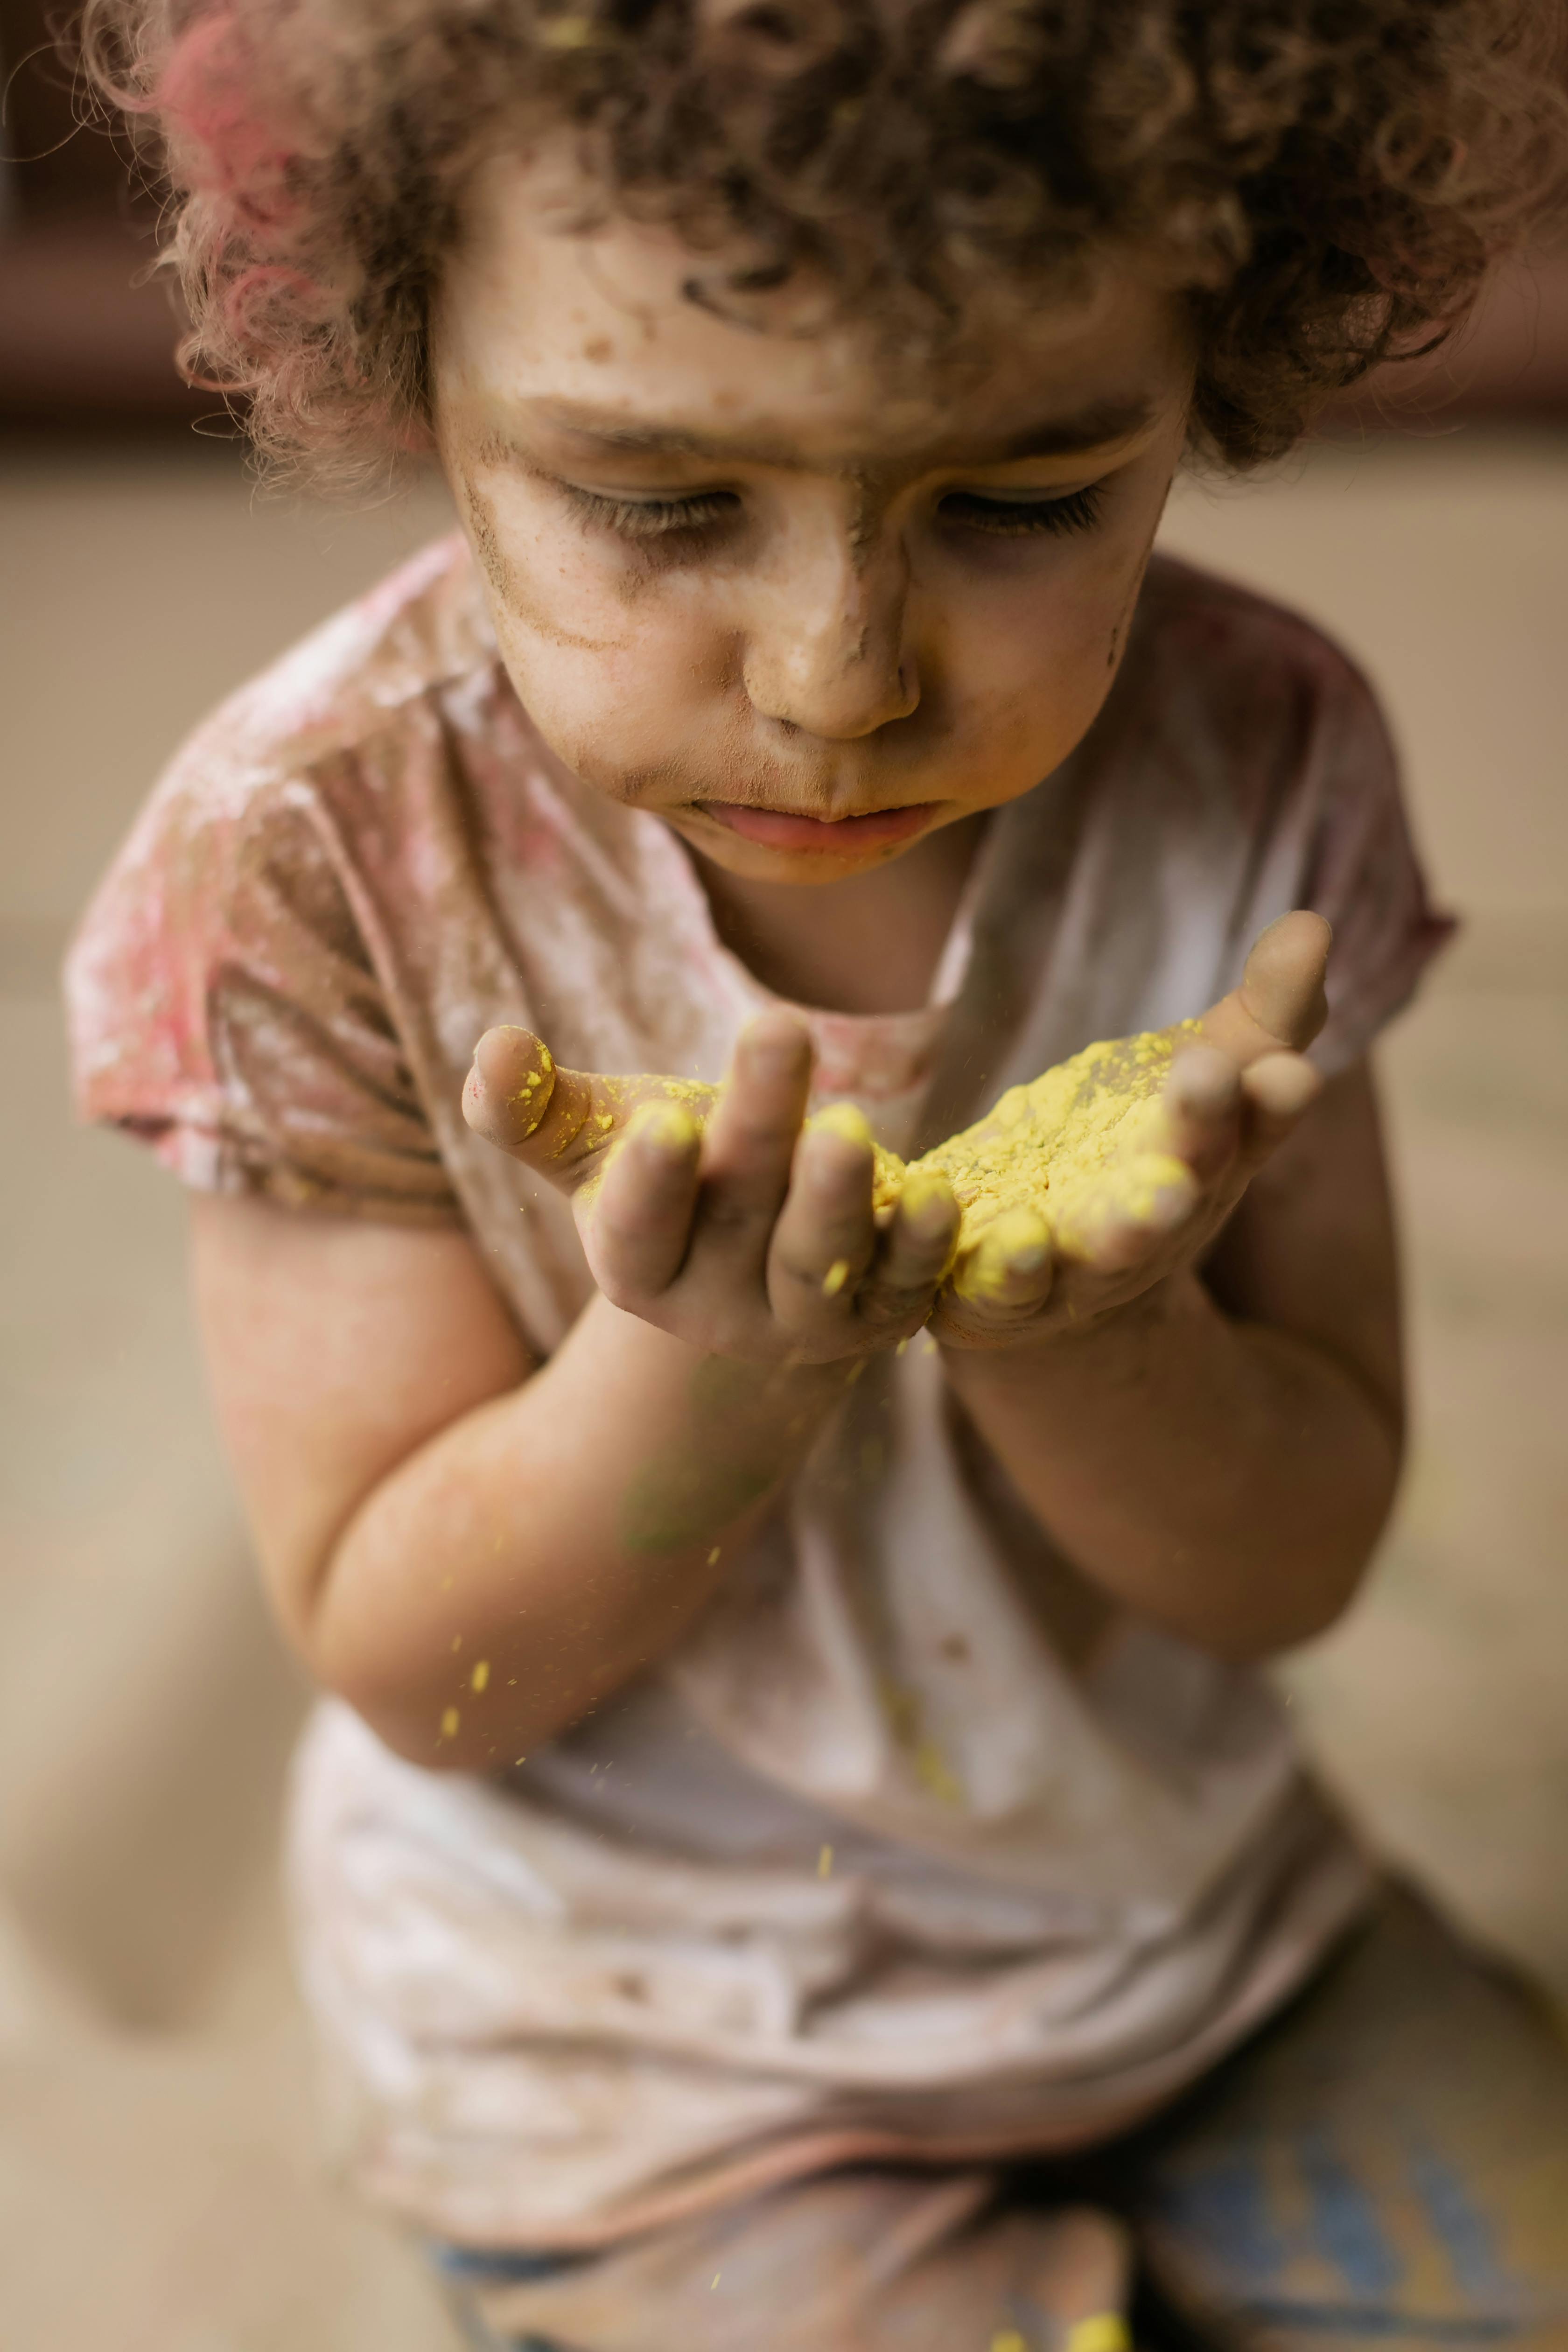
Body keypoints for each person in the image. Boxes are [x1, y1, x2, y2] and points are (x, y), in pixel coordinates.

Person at [67, 1, 1568, 2344]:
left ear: (1211, 367)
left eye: (1029, 501)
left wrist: (1097, 1344)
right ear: (412, 368)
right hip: (621, 2070)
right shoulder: (314, 861)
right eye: (662, 505)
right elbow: (425, 1672)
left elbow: (1289, 1571)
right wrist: (712, 1372)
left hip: (1195, 1936)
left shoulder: (1262, 768)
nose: (841, 673)